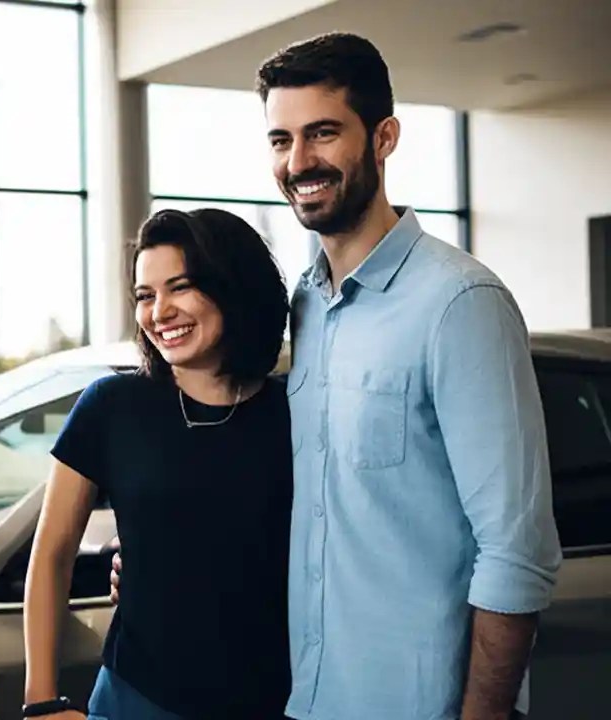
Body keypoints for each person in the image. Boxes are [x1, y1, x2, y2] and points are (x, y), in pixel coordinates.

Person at [112, 32, 563, 720]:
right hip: (309, 700)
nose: (299, 162)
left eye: (323, 134)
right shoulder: (306, 306)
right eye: (280, 140)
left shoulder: (459, 304)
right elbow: (308, 500)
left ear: (383, 138)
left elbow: (517, 553)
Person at [21, 207, 293, 719]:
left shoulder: (295, 414)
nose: (159, 311)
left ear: (233, 286)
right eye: (146, 295)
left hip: (273, 700)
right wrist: (41, 700)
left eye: (181, 287)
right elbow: (51, 556)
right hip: (136, 698)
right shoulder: (111, 405)